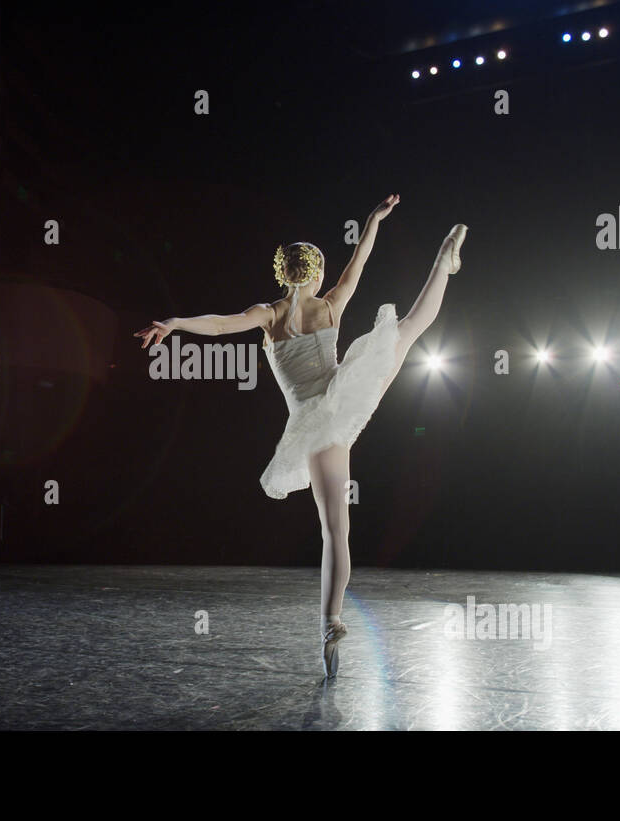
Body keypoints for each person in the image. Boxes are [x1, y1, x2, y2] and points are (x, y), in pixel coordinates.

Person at [135, 194, 466, 677]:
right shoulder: (330, 303)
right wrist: (373, 219)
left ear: (283, 274)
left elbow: (221, 325)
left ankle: (330, 621)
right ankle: (445, 256)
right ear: (314, 273)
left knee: (334, 531)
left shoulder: (267, 316)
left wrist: (175, 323)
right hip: (346, 394)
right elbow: (359, 262)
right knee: (412, 325)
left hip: (314, 427)